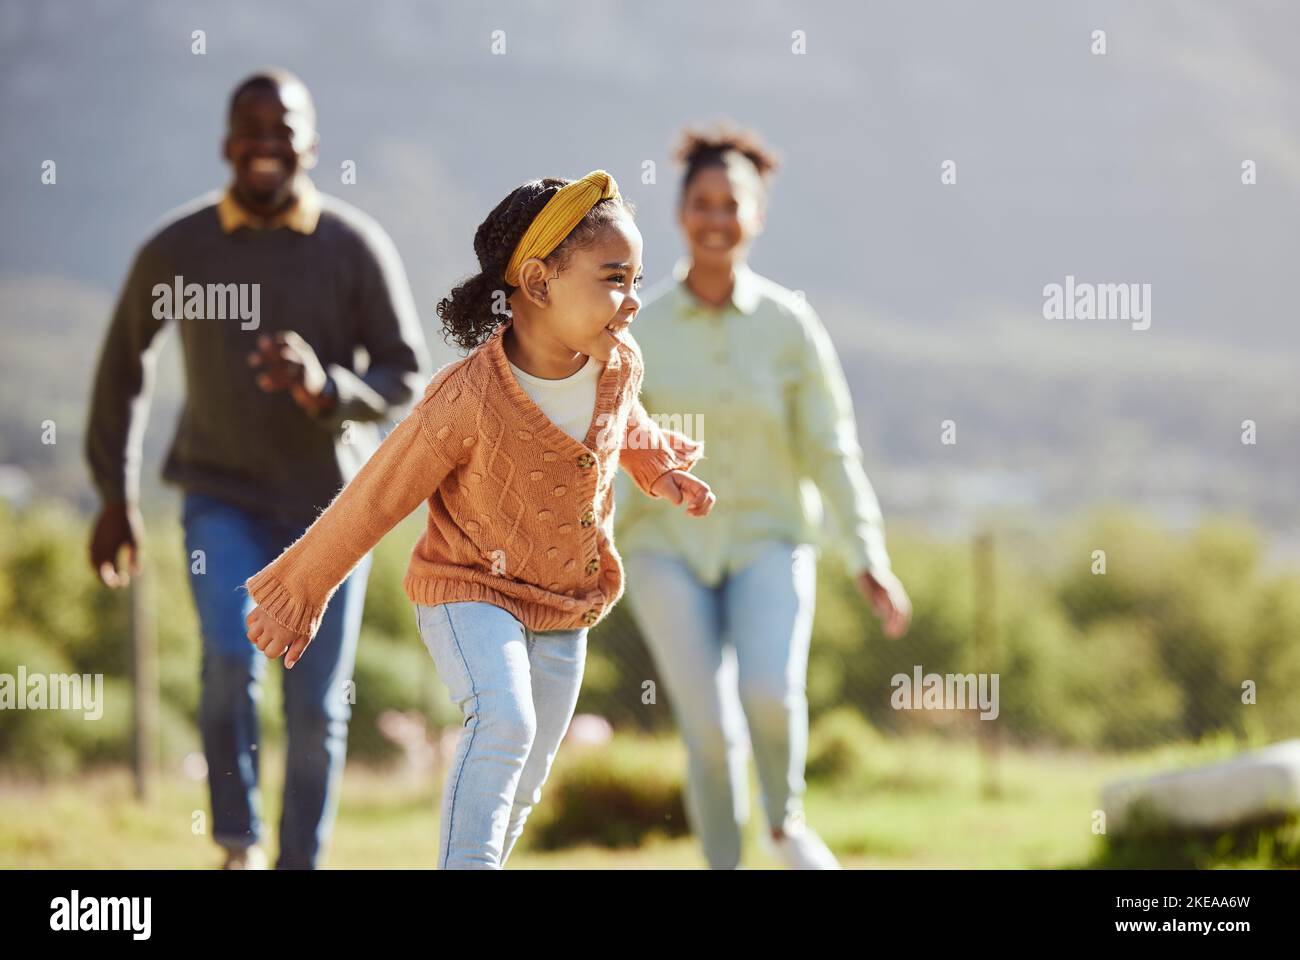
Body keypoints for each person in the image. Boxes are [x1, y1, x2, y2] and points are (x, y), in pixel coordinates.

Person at [242, 170, 715, 869]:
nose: (634, 299)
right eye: (615, 277)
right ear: (538, 281)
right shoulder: (465, 401)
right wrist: (305, 586)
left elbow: (621, 422)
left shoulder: (620, 362)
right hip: (469, 590)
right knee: (505, 720)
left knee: (523, 781)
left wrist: (656, 466)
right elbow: (378, 494)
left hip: (564, 601)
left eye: (637, 278)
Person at [85, 69, 430, 869]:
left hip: (333, 511)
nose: (267, 144)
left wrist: (325, 388)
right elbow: (121, 368)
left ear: (311, 144)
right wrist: (114, 493)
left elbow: (405, 375)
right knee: (232, 655)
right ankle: (237, 846)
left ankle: (298, 862)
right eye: (251, 129)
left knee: (314, 704)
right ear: (227, 143)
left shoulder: (354, 246)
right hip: (220, 498)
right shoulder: (179, 247)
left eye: (285, 129)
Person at [615, 125, 913, 870]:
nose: (716, 219)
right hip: (661, 547)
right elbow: (608, 447)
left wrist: (865, 553)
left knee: (770, 693)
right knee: (709, 729)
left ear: (757, 217)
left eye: (732, 205)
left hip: (769, 540)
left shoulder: (790, 327)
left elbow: (831, 447)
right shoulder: (637, 328)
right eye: (702, 203)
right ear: (680, 211)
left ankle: (785, 828)